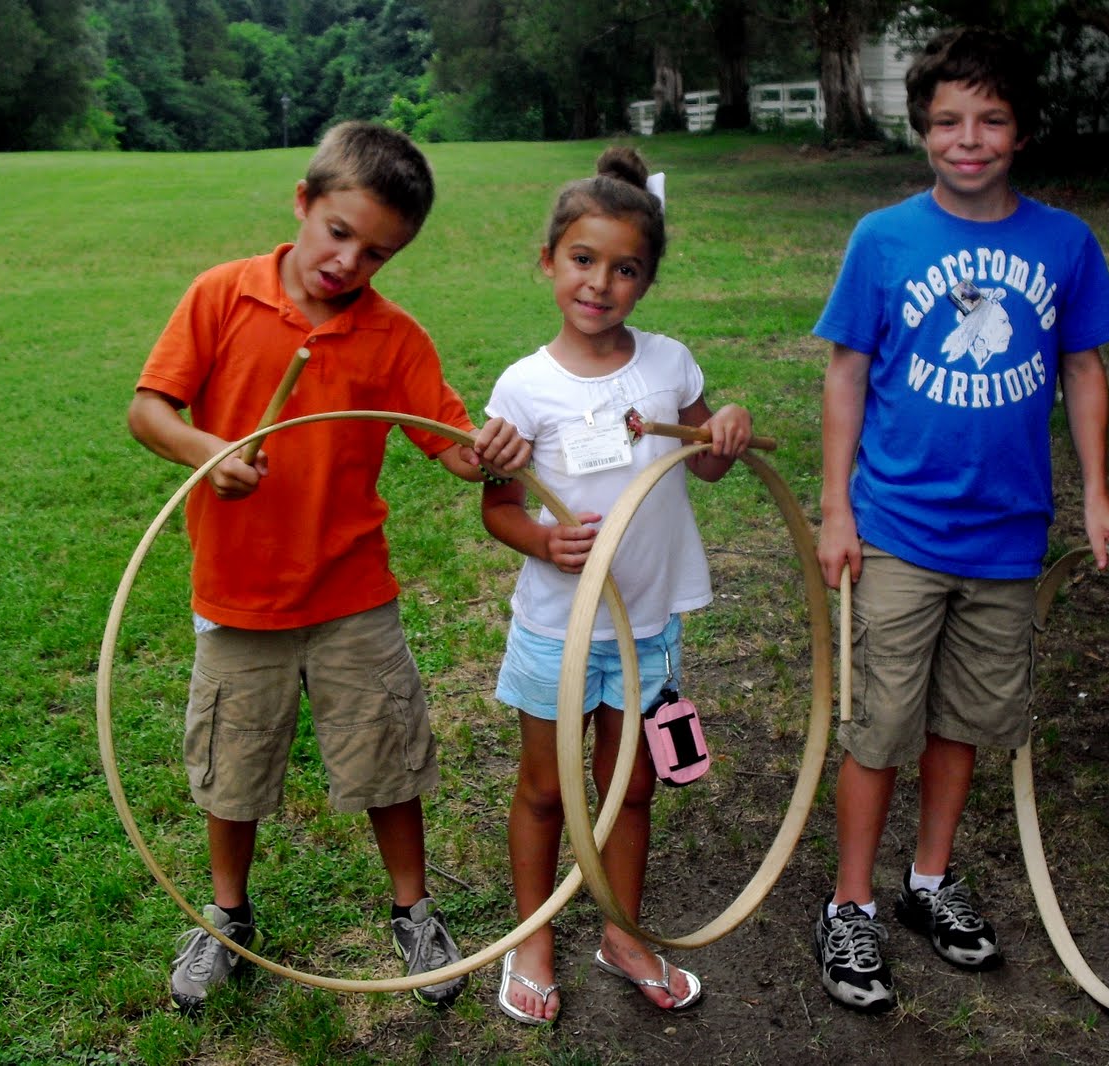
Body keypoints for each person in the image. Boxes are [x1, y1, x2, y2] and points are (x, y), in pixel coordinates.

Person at [127, 120, 531, 1014]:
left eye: (377, 253)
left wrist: (495, 451)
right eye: (339, 233)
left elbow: (453, 447)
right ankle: (228, 915)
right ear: (304, 205)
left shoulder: (392, 340)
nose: (349, 263)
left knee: (386, 754)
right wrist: (207, 449)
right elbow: (149, 408)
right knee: (234, 766)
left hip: (353, 593)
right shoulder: (222, 297)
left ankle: (413, 909)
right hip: (237, 596)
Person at [810, 27, 1109, 1013]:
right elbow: (846, 373)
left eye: (991, 119)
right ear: (920, 130)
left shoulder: (1063, 242)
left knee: (963, 719)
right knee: (878, 726)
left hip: (1007, 536)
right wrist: (838, 508)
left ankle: (927, 883)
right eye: (949, 120)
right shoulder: (883, 239)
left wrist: (1094, 492)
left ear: (1021, 131)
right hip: (897, 530)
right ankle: (850, 905)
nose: (970, 138)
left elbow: (1083, 368)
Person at [481, 146, 753, 1024]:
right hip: (557, 631)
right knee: (545, 790)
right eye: (583, 260)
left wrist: (729, 429)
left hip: (647, 630)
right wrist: (543, 538)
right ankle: (533, 936)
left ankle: (622, 931)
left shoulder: (669, 364)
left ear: (647, 280)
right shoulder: (525, 387)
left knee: (630, 788)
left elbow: (706, 461)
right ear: (550, 261)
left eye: (625, 268)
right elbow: (498, 512)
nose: (600, 283)